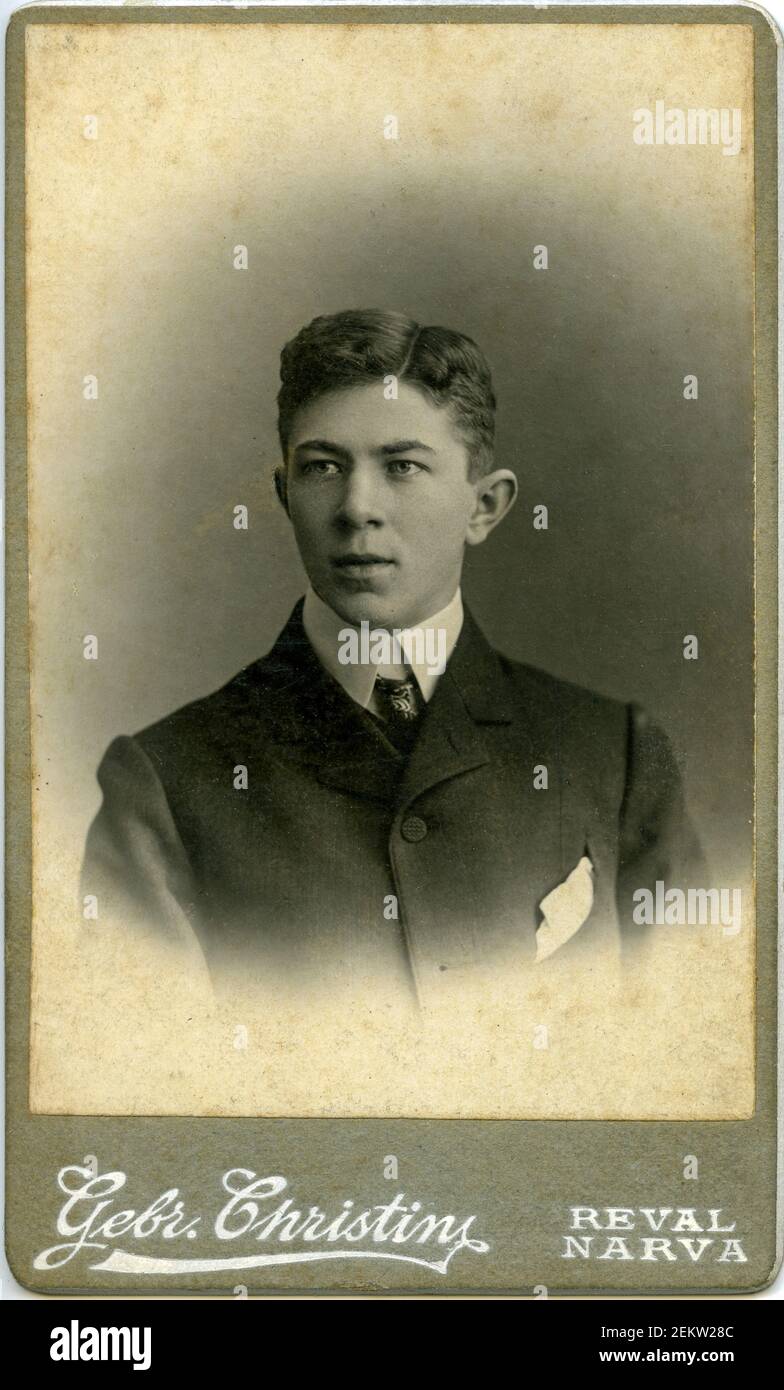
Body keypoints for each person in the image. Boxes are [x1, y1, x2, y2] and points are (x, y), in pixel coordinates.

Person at [82, 308, 704, 1005]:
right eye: (323, 467)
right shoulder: (165, 783)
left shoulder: (614, 756)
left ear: (486, 506)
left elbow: (682, 1054)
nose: (357, 507)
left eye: (403, 466)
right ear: (287, 495)